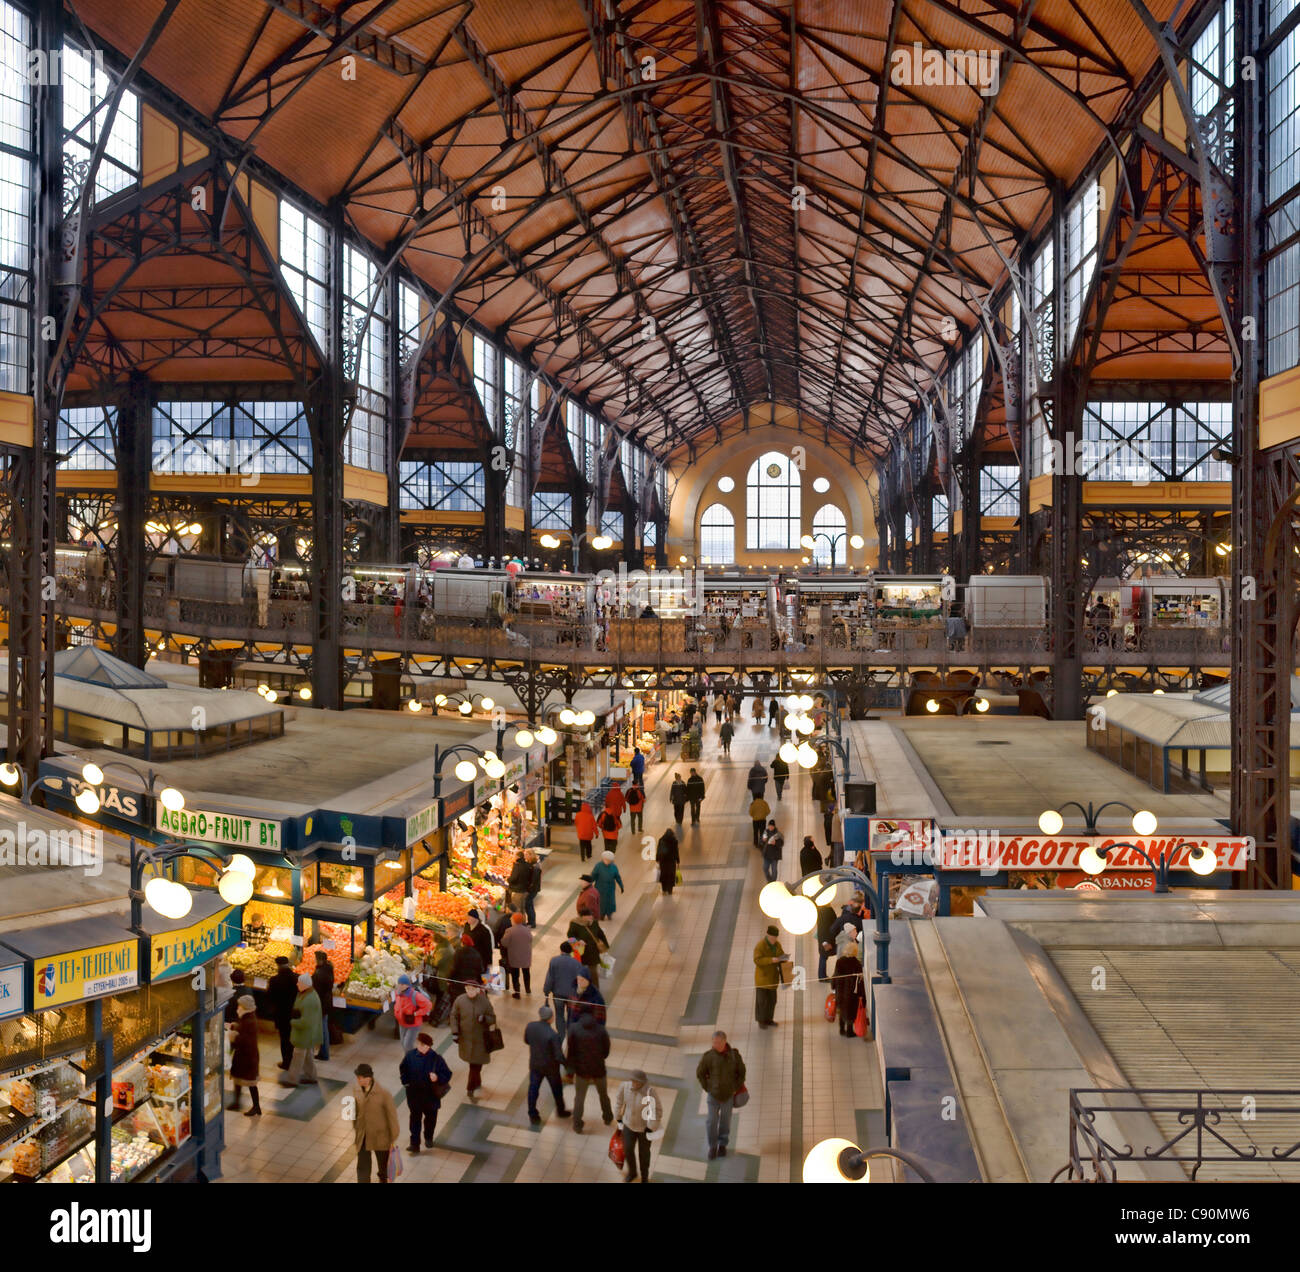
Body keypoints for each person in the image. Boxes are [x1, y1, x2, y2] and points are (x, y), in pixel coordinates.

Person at [696, 1030, 745, 1159]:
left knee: (725, 1122)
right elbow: (700, 1073)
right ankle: (712, 1146)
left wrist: (735, 1088)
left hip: (728, 1096)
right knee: (711, 1121)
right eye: (714, 1042)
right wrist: (707, 1088)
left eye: (718, 1042)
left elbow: (742, 1072)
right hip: (713, 1096)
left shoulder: (734, 1055)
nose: (715, 1045)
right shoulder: (708, 1056)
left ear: (724, 1041)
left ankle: (722, 1145)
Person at [399, 1031, 452, 1151]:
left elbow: (448, 1074)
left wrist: (437, 1077)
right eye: (419, 1044)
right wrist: (405, 1082)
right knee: (415, 1119)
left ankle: (428, 1137)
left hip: (430, 1096)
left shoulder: (437, 1059)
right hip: (414, 1095)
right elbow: (403, 1069)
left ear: (428, 1046)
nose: (419, 1047)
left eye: (422, 1045)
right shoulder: (410, 1055)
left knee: (430, 1119)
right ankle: (415, 1144)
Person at [565, 1007, 614, 1133]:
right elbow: (606, 1051)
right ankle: (608, 1117)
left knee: (579, 1097)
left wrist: (572, 1067)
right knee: (603, 1094)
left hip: (582, 1070)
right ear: (594, 1015)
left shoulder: (574, 1029)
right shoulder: (601, 1030)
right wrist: (599, 1058)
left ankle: (577, 1124)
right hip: (599, 1069)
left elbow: (571, 1051)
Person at [352, 1063, 400, 1183]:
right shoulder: (356, 1090)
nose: (357, 1080)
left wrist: (392, 1138)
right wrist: (357, 1128)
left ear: (368, 1078)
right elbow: (354, 1112)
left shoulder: (384, 1094)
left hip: (381, 1138)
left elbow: (392, 1118)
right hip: (363, 1136)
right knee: (363, 1168)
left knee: (383, 1169)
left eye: (359, 1077)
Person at [449, 982, 498, 1101]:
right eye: (467, 989)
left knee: (476, 1064)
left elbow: (493, 1018)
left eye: (472, 989)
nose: (470, 992)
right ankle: (475, 1083)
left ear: (477, 990)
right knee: (474, 1064)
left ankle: (470, 1087)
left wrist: (485, 1018)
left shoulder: (484, 1002)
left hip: (480, 1040)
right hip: (466, 1039)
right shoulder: (460, 1000)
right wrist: (455, 1032)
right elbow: (453, 1016)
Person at [614, 1070, 664, 1183]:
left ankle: (644, 1177)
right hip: (628, 1125)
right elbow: (618, 1102)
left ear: (643, 1082)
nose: (634, 1084)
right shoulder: (624, 1087)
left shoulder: (650, 1092)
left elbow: (657, 1111)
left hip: (644, 1129)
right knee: (627, 1150)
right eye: (633, 1081)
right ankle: (632, 1172)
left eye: (637, 1082)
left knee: (644, 1155)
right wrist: (618, 1117)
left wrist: (651, 1127)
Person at [523, 1005, 570, 1124]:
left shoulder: (531, 1026)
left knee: (533, 1089)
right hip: (551, 1068)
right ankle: (561, 1110)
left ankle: (532, 1114)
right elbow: (558, 1055)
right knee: (556, 1089)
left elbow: (526, 1040)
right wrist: (567, 1065)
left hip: (535, 1065)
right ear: (550, 1018)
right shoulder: (553, 1035)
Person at [280, 973, 323, 1087]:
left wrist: (292, 1022)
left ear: (304, 984)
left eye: (299, 982)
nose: (297, 984)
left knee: (297, 1057)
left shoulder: (310, 999)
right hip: (307, 1034)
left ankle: (292, 1080)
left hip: (304, 1034)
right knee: (308, 1056)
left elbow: (306, 1022)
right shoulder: (307, 993)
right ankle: (311, 1077)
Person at [543, 941, 585, 1042]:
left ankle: (561, 1036)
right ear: (570, 951)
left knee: (559, 1015)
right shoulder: (577, 963)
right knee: (571, 1015)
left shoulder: (554, 961)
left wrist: (546, 990)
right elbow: (581, 980)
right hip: (572, 995)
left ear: (561, 950)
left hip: (558, 994)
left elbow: (550, 978)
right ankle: (570, 1034)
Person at [227, 994, 261, 1116]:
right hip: (245, 1056)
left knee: (251, 1083)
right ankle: (237, 1102)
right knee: (238, 1079)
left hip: (247, 1058)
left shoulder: (250, 1021)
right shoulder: (247, 1018)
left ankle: (256, 1106)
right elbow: (242, 1029)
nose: (238, 1008)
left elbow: (245, 1040)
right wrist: (234, 1026)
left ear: (245, 1007)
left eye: (239, 1006)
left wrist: (233, 1036)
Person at [753, 925, 788, 1028]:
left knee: (772, 1001)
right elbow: (757, 960)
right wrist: (771, 960)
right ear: (768, 935)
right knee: (762, 1002)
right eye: (773, 938)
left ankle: (769, 1019)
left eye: (776, 938)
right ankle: (761, 1021)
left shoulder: (777, 945)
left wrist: (783, 958)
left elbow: (781, 954)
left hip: (772, 978)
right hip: (762, 980)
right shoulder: (760, 946)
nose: (774, 940)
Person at [267, 955, 297, 1069]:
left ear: (278, 966)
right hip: (294, 1013)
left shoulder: (274, 980)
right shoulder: (295, 978)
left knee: (284, 1040)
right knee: (293, 1038)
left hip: (281, 1015)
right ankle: (295, 1060)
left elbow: (270, 997)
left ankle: (286, 1062)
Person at [567, 910, 608, 987]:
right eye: (588, 916)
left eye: (591, 915)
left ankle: (595, 990)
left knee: (593, 973)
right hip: (581, 953)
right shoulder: (575, 924)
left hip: (593, 952)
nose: (591, 917)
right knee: (582, 973)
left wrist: (606, 946)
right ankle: (583, 988)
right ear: (582, 917)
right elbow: (570, 937)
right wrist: (578, 941)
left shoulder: (594, 923)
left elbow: (600, 934)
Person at [392, 973, 432, 1052]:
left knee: (408, 1045)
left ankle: (411, 1061)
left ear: (407, 985)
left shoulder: (415, 995)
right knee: (403, 1043)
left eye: (402, 984)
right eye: (399, 984)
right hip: (402, 1023)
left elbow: (428, 1005)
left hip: (413, 1024)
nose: (400, 986)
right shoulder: (398, 993)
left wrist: (416, 1013)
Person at [833, 942, 866, 1039]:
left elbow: (836, 976)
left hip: (840, 991)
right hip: (851, 993)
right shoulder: (857, 964)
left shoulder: (839, 961)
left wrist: (833, 986)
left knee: (842, 1010)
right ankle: (849, 1031)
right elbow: (859, 981)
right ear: (855, 951)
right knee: (851, 1011)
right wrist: (862, 994)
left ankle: (841, 1029)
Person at [499, 912, 533, 998]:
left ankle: (517, 993)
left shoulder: (509, 931)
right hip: (525, 956)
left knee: (515, 975)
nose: (510, 920)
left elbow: (504, 943)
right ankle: (528, 989)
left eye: (511, 919)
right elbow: (530, 939)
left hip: (514, 957)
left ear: (514, 920)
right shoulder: (527, 929)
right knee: (526, 973)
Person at [312, 949, 335, 1062]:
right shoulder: (329, 969)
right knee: (324, 1028)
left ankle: (323, 1053)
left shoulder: (319, 974)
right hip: (326, 1003)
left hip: (320, 1004)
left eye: (316, 959)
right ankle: (324, 1053)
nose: (314, 961)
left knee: (318, 1029)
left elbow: (315, 989)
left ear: (320, 960)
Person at [449, 937, 485, 1005]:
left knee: (457, 1001)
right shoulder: (476, 953)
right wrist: (480, 982)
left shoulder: (458, 952)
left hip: (458, 982)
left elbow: (454, 967)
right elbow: (480, 970)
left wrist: (450, 979)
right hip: (471, 982)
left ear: (463, 943)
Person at [591, 850, 625, 920]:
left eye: (610, 860)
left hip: (610, 888)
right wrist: (589, 884)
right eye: (607, 860)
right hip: (600, 887)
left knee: (610, 901)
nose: (608, 861)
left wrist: (621, 886)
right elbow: (593, 875)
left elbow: (617, 877)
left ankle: (609, 914)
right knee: (601, 902)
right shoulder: (598, 866)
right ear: (603, 859)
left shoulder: (614, 867)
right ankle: (601, 914)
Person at [656, 826, 680, 896]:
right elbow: (676, 851)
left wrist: (657, 858)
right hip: (671, 861)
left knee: (664, 875)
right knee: (671, 875)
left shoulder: (661, 840)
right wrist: (678, 860)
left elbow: (659, 850)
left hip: (663, 861)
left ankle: (664, 889)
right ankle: (670, 890)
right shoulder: (674, 841)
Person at [761, 819, 784, 883]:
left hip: (774, 856)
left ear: (774, 826)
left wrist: (775, 843)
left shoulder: (778, 834)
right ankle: (769, 880)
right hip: (767, 855)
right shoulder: (765, 832)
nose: (770, 827)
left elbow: (781, 844)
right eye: (769, 826)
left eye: (771, 826)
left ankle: (773, 882)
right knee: (765, 868)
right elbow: (761, 842)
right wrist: (763, 840)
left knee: (774, 870)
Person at [524, 848, 542, 927]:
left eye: (526, 855)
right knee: (529, 904)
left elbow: (533, 881)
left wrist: (528, 890)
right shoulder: (533, 864)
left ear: (530, 855)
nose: (525, 856)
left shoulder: (535, 867)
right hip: (533, 889)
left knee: (529, 905)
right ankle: (531, 921)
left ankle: (532, 922)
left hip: (532, 890)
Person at [828, 800, 845, 868]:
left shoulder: (834, 816)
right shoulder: (837, 817)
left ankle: (837, 868)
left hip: (835, 839)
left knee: (837, 855)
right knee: (839, 856)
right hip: (839, 839)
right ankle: (838, 869)